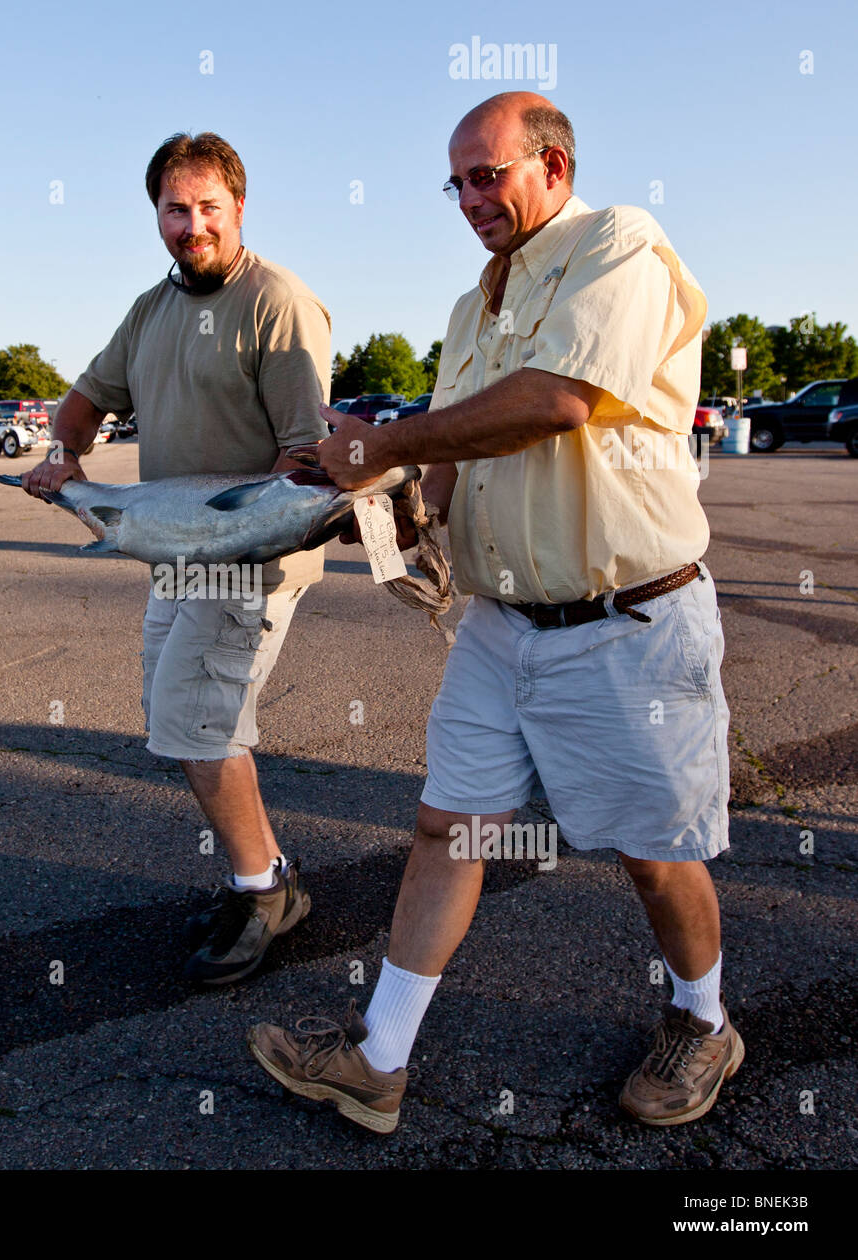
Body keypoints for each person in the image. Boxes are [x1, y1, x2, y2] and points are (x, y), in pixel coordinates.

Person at [249, 92, 740, 1133]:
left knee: (653, 852)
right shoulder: (473, 307)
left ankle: (703, 1023)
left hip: (627, 621)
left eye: (490, 174)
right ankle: (377, 1059)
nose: (470, 198)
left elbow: (559, 397)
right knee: (448, 827)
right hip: (501, 628)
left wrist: (385, 441)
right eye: (457, 181)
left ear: (552, 168)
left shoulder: (619, 246)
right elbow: (451, 465)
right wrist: (367, 501)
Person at [20, 132, 332, 985]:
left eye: (208, 208)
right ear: (154, 211)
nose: (191, 225)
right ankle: (270, 880)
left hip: (248, 560)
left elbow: (303, 466)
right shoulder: (150, 311)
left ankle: (261, 894)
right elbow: (86, 399)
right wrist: (64, 454)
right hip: (176, 557)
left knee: (196, 723)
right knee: (183, 721)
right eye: (173, 208)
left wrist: (222, 534)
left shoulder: (279, 303)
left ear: (239, 207)